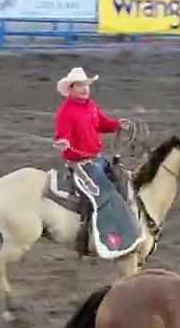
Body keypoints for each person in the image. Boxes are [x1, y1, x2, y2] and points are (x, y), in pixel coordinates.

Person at [53, 67, 131, 257]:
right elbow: (62, 136)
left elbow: (102, 123)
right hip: (79, 164)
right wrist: (63, 143)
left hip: (95, 159)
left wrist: (116, 125)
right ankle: (89, 233)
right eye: (79, 85)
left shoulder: (91, 106)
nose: (84, 89)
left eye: (86, 85)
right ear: (71, 89)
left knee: (123, 178)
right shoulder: (64, 112)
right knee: (102, 191)